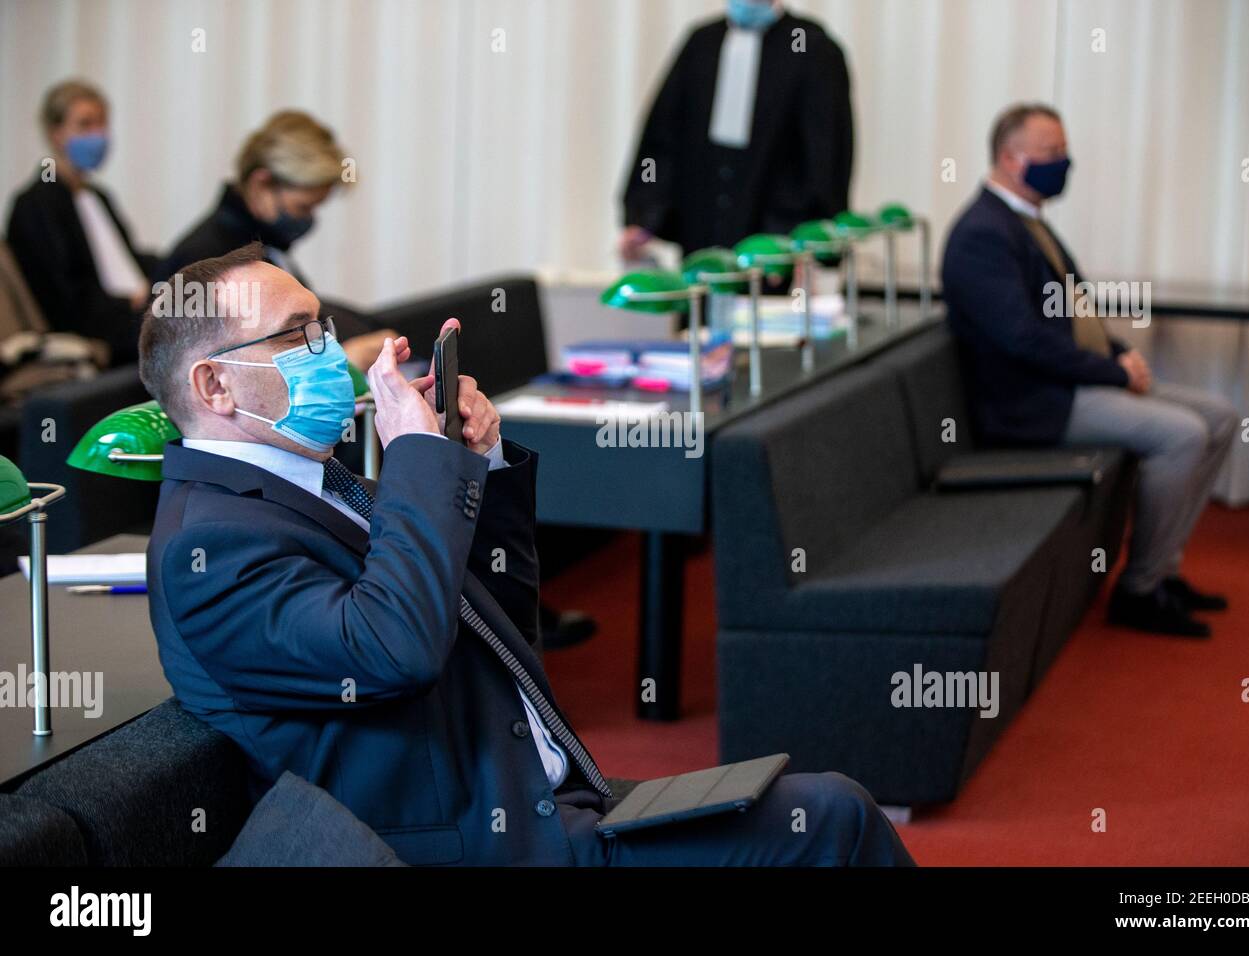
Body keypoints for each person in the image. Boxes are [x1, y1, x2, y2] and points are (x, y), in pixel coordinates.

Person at [140, 242, 913, 866]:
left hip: (548, 799)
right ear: (214, 384)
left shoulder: (315, 478)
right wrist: (416, 461)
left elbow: (495, 620)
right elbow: (388, 650)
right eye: (298, 335)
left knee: (827, 805)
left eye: (325, 328)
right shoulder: (208, 542)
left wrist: (484, 464)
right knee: (831, 818)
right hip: (476, 843)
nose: (328, 352)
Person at [941, 103, 1237, 639]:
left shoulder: (1029, 225)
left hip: (1069, 382)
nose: (1064, 163)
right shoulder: (983, 233)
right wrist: (1113, 375)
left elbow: (1074, 313)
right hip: (1030, 405)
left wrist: (1120, 356)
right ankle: (1139, 591)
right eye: (1052, 153)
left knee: (1219, 416)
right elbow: (1021, 339)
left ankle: (1164, 569)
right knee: (1182, 435)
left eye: (1064, 151)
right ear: (1011, 158)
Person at [155, 110, 393, 371]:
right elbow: (230, 373)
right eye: (302, 208)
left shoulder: (265, 247)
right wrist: (341, 363)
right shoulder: (208, 258)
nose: (308, 220)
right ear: (261, 184)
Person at [619, 0, 853, 261]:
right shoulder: (703, 43)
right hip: (702, 225)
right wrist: (643, 215)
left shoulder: (809, 46)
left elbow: (825, 155)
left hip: (775, 235)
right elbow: (660, 141)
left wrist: (800, 238)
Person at [5, 79, 155, 365]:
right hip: (95, 331)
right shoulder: (35, 204)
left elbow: (128, 260)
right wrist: (130, 304)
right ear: (56, 133)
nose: (99, 135)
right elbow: (63, 299)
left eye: (102, 124)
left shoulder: (98, 196)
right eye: (85, 125)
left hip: (134, 314)